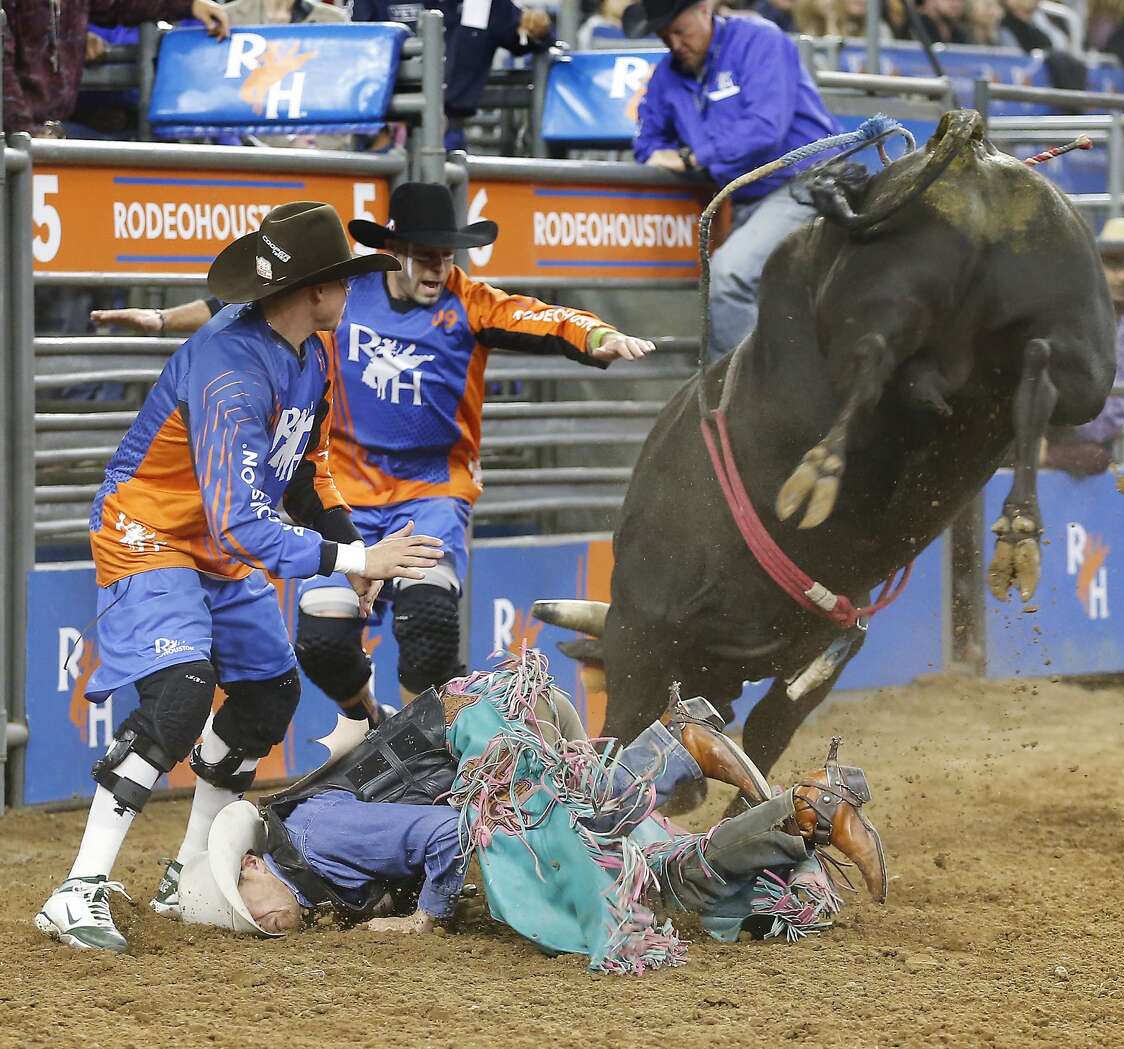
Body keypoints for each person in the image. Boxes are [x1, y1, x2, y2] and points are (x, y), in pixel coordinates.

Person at [33, 202, 449, 954]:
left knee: (269, 690)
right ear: (317, 289)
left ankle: (187, 870)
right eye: (346, 278)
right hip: (150, 530)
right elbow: (242, 526)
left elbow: (306, 475)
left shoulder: (309, 354)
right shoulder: (229, 372)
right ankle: (78, 889)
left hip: (210, 540)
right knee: (183, 688)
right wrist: (360, 561)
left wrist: (347, 544)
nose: (354, 291)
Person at [91, 182, 655, 736]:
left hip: (432, 491)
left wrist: (595, 336)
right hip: (347, 490)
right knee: (323, 643)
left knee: (428, 621)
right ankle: (370, 723)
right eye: (425, 255)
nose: (437, 267)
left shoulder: (470, 303)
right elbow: (236, 306)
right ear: (395, 253)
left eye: (446, 255)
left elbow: (540, 318)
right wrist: (163, 321)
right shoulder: (339, 294)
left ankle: (430, 753)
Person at [178, 652, 887, 971]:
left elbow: (446, 831)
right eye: (256, 929)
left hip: (482, 735)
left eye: (250, 902)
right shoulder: (312, 855)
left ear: (251, 862)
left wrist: (427, 915)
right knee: (617, 847)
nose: (266, 921)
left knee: (613, 891)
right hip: (493, 725)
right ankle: (686, 751)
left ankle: (788, 804)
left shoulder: (316, 834)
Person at [626, 0, 838, 358]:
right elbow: (648, 137)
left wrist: (693, 157)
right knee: (739, 287)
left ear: (705, 10)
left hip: (802, 181)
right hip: (746, 197)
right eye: (665, 36)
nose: (674, 43)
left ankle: (740, 401)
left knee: (728, 279)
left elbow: (765, 128)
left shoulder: (760, 42)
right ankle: (751, 395)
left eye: (679, 31)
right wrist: (656, 154)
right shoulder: (668, 75)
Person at [1043, 217, 1124, 476]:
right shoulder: (1067, 312)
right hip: (1050, 433)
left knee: (1097, 461)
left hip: (1100, 444)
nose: (1123, 277)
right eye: (1113, 263)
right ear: (1097, 265)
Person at [1, 0, 230, 137]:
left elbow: (120, 4)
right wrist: (26, 133)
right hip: (14, 140)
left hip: (45, 133)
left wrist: (189, 5)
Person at [349, 0, 553, 151]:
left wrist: (537, 27)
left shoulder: (483, 4)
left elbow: (529, 36)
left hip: (448, 135)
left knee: (444, 202)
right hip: (383, 132)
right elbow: (353, 51)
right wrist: (377, 134)